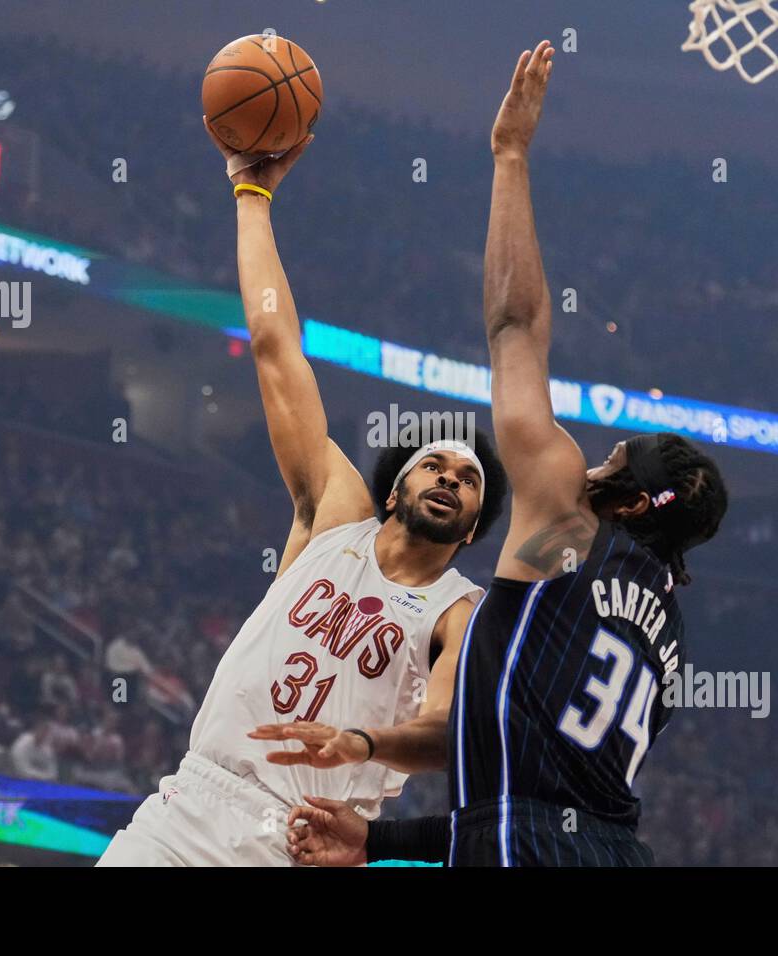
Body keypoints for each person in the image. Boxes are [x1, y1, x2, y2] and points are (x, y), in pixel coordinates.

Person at [263, 41, 729, 867]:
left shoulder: (567, 518)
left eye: (612, 459)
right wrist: (376, 840)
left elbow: (516, 327)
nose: (589, 463)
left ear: (627, 499)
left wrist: (509, 157)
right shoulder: (668, 632)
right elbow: (537, 803)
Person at [97, 119, 508, 866]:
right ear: (394, 491)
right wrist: (251, 194)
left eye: (469, 478)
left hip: (299, 840)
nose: (449, 475)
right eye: (434, 464)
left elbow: (446, 732)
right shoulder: (336, 514)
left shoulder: (463, 607)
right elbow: (274, 345)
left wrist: (360, 744)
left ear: (474, 529)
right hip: (189, 804)